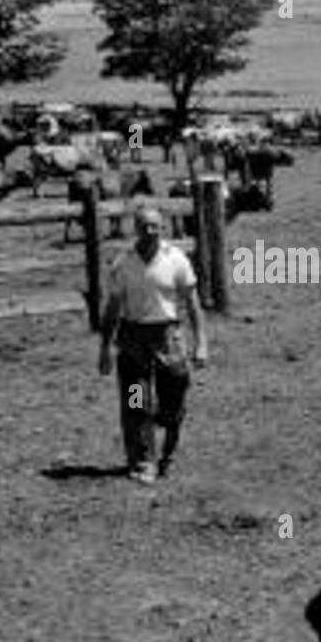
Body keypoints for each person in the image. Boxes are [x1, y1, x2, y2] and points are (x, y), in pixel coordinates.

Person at [98, 204, 208, 483]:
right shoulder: (123, 263)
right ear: (135, 229)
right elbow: (112, 309)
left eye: (155, 226)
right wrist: (106, 348)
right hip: (133, 341)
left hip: (168, 339)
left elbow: (193, 304)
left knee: (173, 399)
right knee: (136, 402)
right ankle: (143, 460)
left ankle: (167, 452)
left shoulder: (176, 259)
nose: (150, 231)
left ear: (163, 228)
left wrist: (201, 342)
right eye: (144, 226)